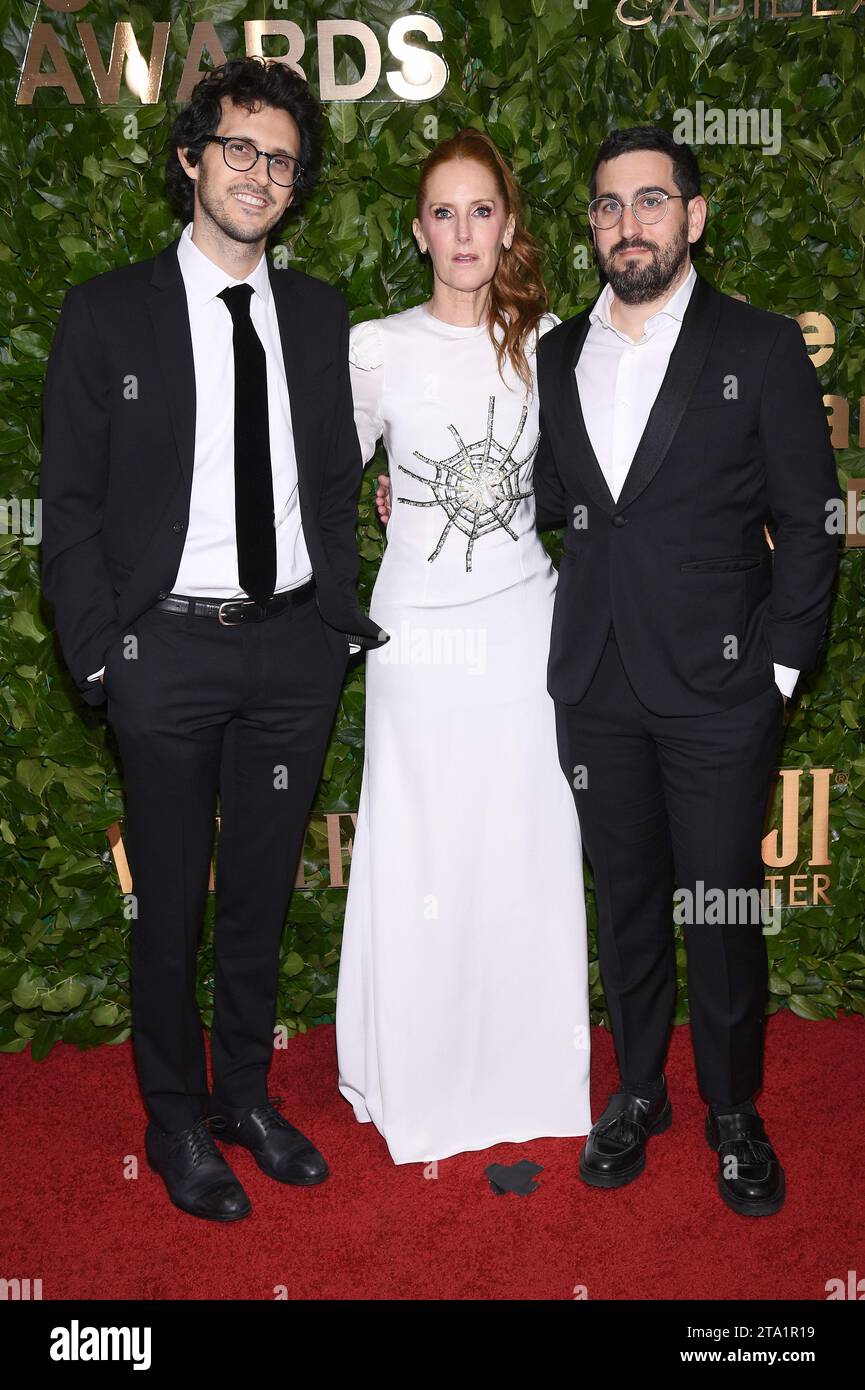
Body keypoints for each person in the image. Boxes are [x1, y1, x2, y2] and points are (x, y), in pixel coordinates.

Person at [40, 56, 387, 1222]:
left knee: (256, 894)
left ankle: (245, 1093)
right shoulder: (107, 311)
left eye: (281, 158)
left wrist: (333, 618)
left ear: (296, 186)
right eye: (237, 147)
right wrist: (100, 653)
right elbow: (71, 507)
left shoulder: (319, 312)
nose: (259, 172)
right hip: (164, 656)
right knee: (171, 905)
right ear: (192, 159)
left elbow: (334, 481)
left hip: (291, 649)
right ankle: (175, 1118)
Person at [534, 126, 839, 1216]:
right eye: (609, 207)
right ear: (593, 228)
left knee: (716, 909)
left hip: (720, 694)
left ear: (693, 215)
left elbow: (810, 527)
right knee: (625, 907)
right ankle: (640, 1092)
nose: (629, 225)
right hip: (596, 689)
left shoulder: (757, 348)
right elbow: (551, 505)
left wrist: (777, 677)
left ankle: (732, 1111)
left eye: (651, 201)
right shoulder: (557, 351)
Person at [335, 129, 592, 1165]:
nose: (462, 232)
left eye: (480, 210)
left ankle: (531, 1074)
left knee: (523, 850)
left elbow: (592, 487)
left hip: (522, 630)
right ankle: (422, 1078)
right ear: (417, 230)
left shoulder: (555, 342)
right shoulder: (373, 346)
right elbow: (313, 481)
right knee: (422, 849)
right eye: (442, 212)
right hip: (413, 640)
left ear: (510, 224)